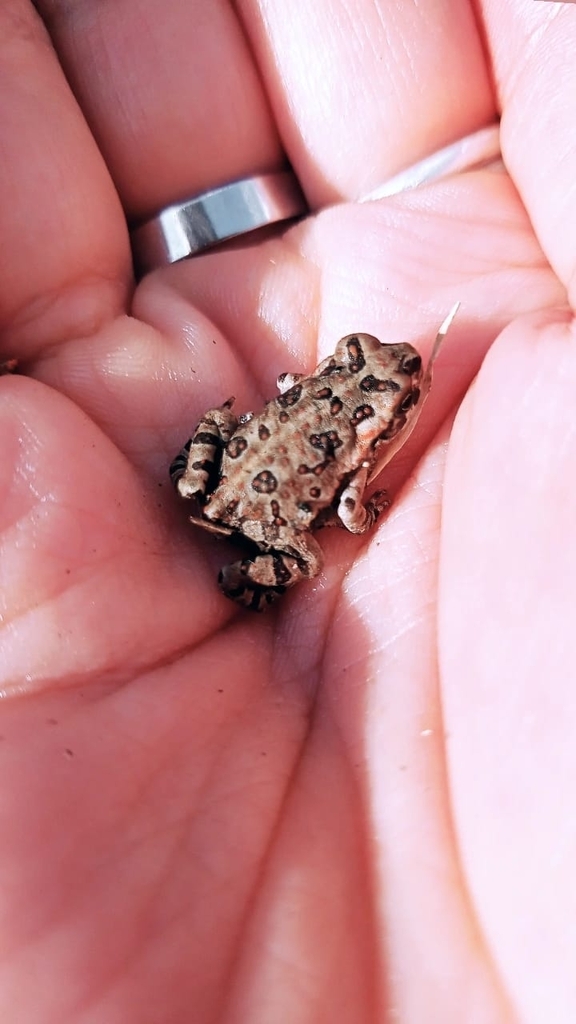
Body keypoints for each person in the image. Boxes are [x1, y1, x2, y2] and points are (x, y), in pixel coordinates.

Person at [0, 1, 573, 1020]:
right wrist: (379, 486)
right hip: (254, 511)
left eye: (386, 377)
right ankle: (245, 573)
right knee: (296, 560)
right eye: (380, 375)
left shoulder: (330, 393)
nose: (389, 373)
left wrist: (241, 425)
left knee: (221, 469)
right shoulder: (356, 451)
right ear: (359, 385)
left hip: (219, 467)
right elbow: (350, 514)